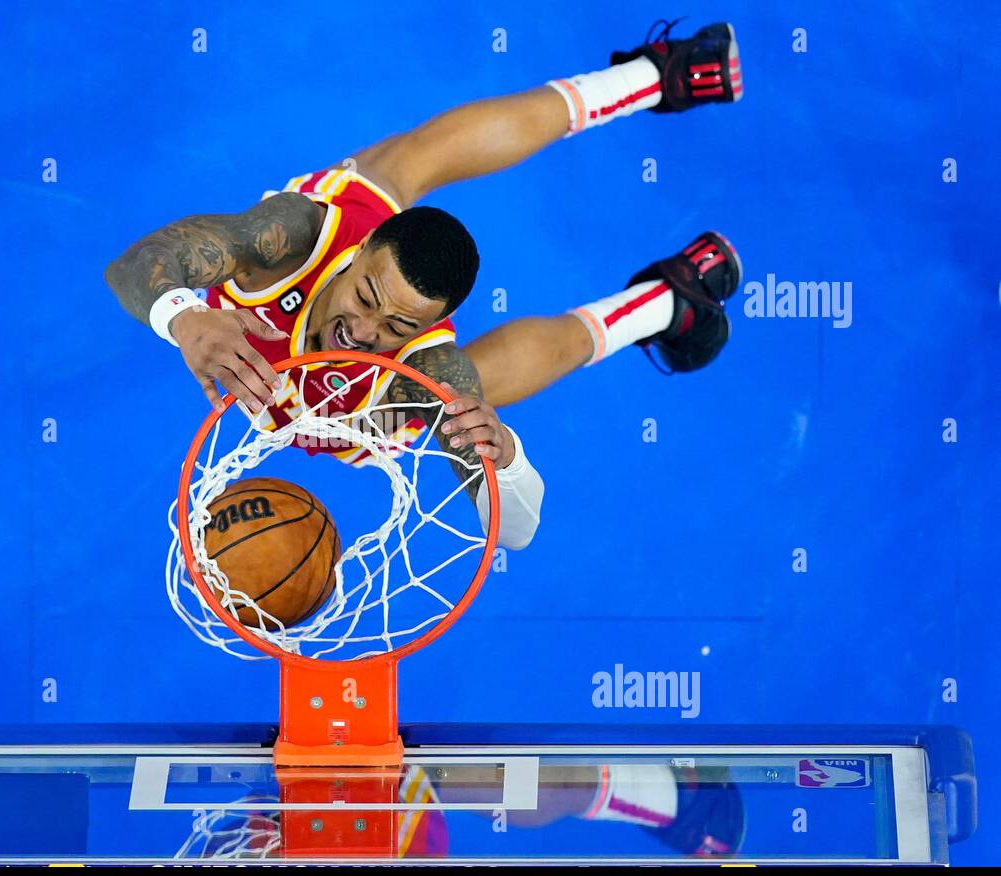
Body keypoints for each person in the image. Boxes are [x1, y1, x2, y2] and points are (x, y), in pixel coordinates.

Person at [105, 19, 745, 552]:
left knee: (473, 388)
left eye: (398, 327)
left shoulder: (426, 365)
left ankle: (659, 304)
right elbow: (138, 264)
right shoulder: (291, 238)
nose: (364, 333)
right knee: (419, 154)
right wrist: (185, 316)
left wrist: (509, 459)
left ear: (428, 326)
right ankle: (654, 76)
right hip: (333, 249)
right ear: (357, 255)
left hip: (365, 418)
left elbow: (515, 531)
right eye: (367, 300)